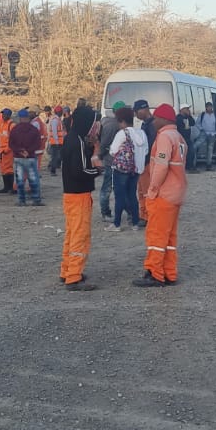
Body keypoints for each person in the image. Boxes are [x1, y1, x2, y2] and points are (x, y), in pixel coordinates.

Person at [134, 104, 188, 288]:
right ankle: (169, 272)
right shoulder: (179, 137)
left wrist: (152, 189)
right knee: (170, 237)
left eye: (156, 118)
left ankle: (155, 273)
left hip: (164, 194)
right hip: (177, 193)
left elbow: (162, 166)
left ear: (164, 119)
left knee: (156, 235)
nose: (154, 121)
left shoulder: (165, 137)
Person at [60, 105, 100, 291]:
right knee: (80, 235)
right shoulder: (78, 143)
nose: (94, 128)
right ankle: (74, 277)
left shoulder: (70, 139)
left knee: (71, 234)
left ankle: (67, 270)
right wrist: (97, 171)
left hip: (70, 194)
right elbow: (81, 170)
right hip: (79, 195)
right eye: (93, 124)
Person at [105, 107, 142, 231]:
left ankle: (117, 224)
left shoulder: (122, 133)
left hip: (121, 170)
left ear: (121, 121)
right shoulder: (140, 133)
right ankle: (135, 223)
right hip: (135, 169)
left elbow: (113, 151)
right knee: (132, 195)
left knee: (119, 197)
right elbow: (145, 151)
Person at [10, 108, 44, 206]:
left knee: (20, 180)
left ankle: (22, 201)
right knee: (33, 179)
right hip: (31, 157)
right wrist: (28, 152)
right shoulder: (33, 129)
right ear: (28, 118)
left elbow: (11, 144)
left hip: (18, 158)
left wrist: (20, 151)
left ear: (20, 118)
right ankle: (36, 200)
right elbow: (38, 144)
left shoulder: (14, 129)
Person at [194, 102, 216, 172]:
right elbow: (197, 123)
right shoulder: (202, 115)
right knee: (196, 146)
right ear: (206, 107)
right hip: (204, 133)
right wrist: (201, 129)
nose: (209, 108)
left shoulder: (215, 115)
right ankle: (193, 163)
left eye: (210, 107)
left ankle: (209, 165)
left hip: (212, 134)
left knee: (210, 150)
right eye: (208, 107)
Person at [0, 108, 15, 194]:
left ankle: (10, 187)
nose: (3, 116)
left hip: (8, 150)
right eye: (3, 114)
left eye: (5, 114)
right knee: (3, 169)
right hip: (0, 150)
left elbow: (13, 140)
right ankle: (6, 187)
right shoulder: (1, 124)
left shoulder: (11, 125)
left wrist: (5, 150)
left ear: (9, 115)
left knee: (8, 169)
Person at [175, 105, 196, 170]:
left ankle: (190, 166)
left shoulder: (188, 118)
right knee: (182, 154)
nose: (188, 110)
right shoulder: (178, 118)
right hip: (180, 139)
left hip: (187, 138)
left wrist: (189, 116)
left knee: (191, 152)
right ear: (182, 109)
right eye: (186, 109)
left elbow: (193, 123)